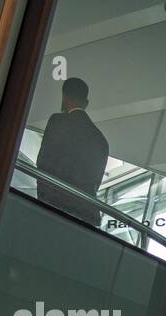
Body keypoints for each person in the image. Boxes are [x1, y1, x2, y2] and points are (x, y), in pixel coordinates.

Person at [35, 77, 109, 227]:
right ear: (86, 103)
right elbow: (96, 182)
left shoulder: (58, 121)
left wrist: (42, 201)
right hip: (88, 215)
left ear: (64, 97)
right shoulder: (101, 140)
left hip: (55, 207)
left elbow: (43, 162)